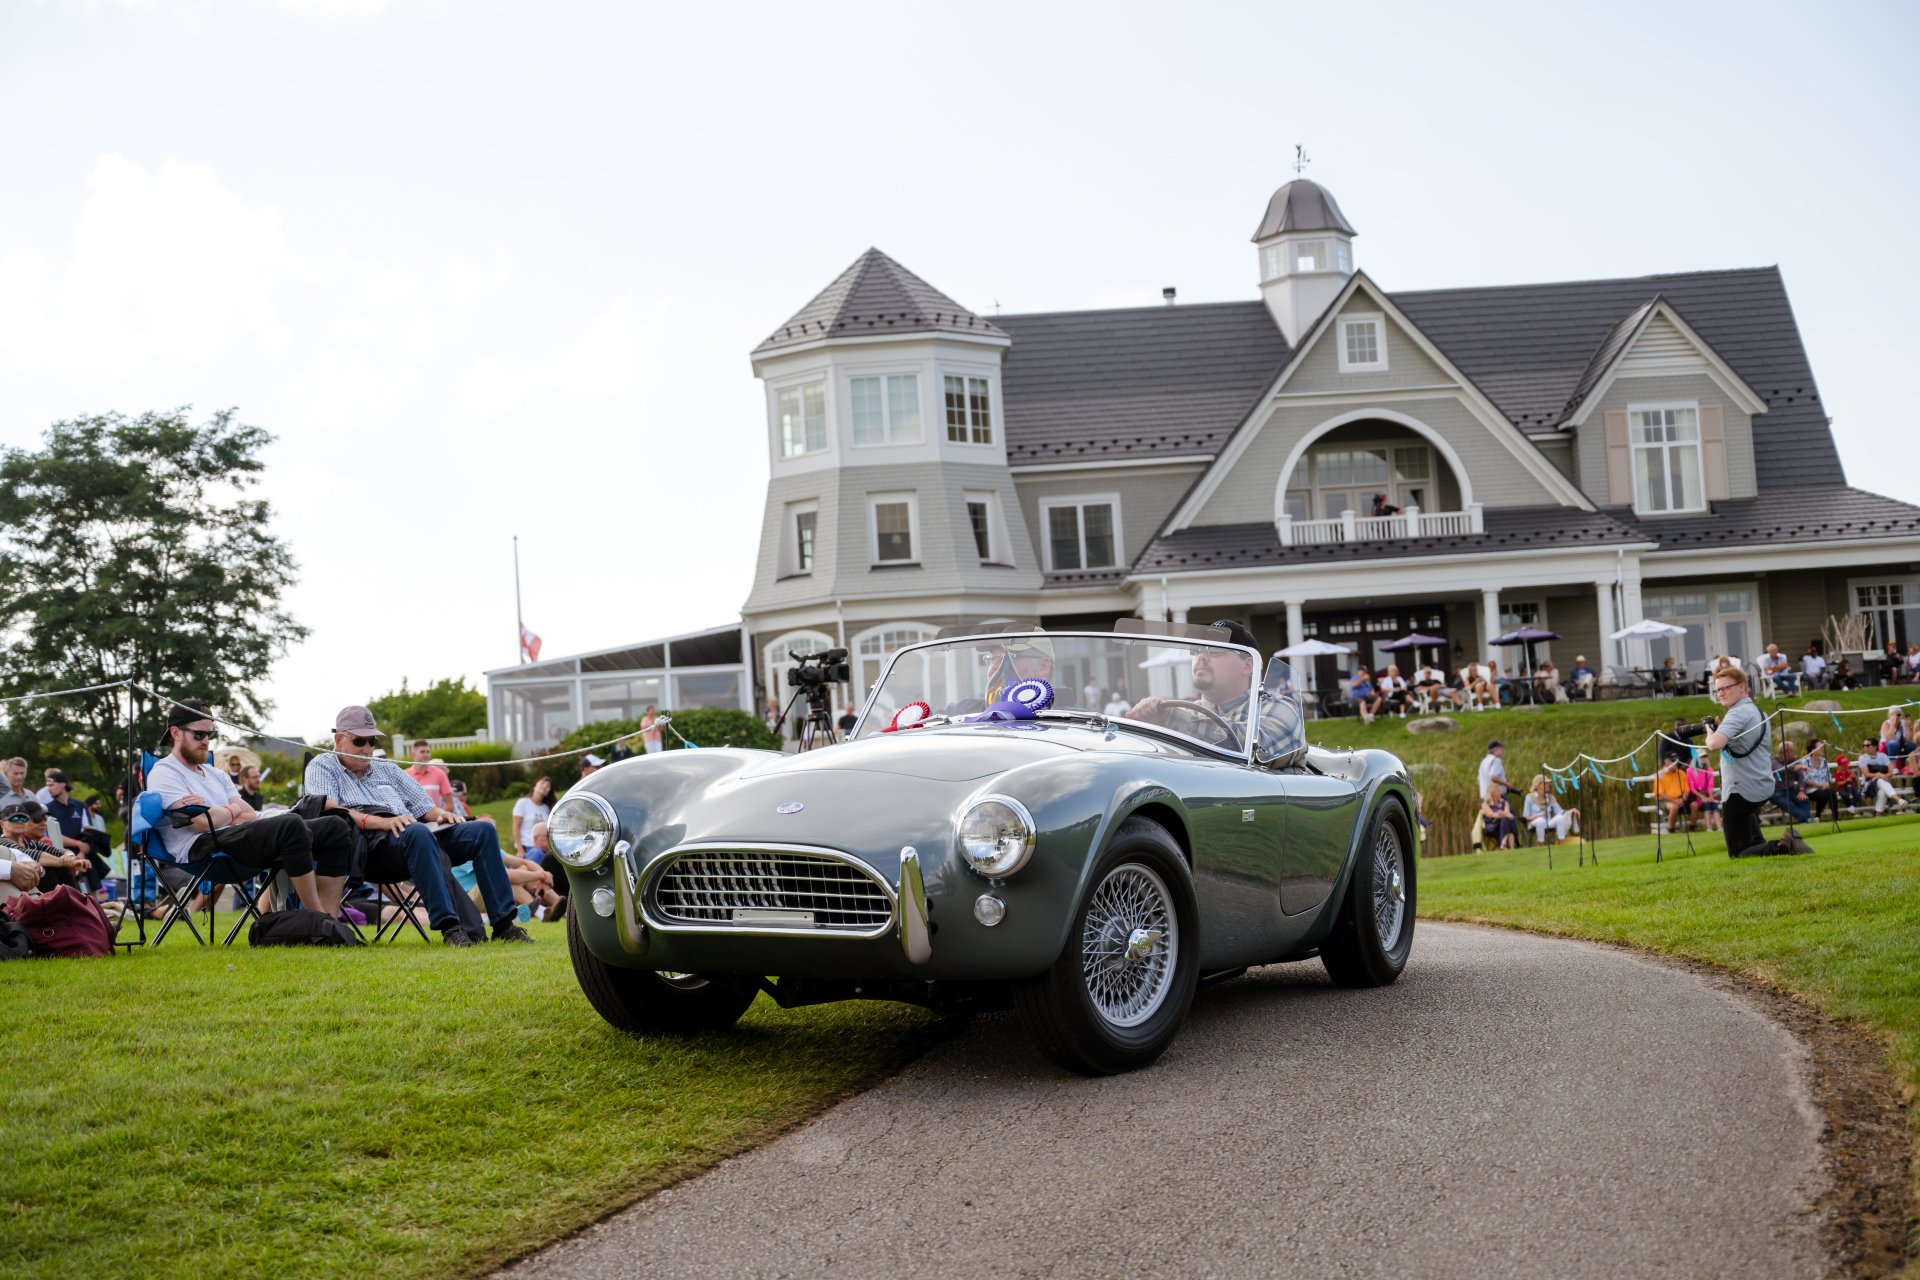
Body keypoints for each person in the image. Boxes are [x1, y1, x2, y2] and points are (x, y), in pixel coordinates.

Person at [304, 705, 530, 946]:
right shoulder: (323, 764)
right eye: (360, 741)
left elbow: (425, 807)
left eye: (372, 742)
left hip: (414, 834)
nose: (368, 749)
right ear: (339, 739)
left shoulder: (387, 768)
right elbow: (327, 807)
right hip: (371, 848)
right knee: (417, 832)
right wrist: (382, 822)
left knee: (483, 830)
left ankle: (504, 925)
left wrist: (443, 814)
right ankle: (451, 928)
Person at [148, 700, 340, 912]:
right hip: (202, 849)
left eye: (210, 735)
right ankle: (316, 920)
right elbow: (202, 823)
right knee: (291, 824)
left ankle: (331, 920)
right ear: (175, 733)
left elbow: (248, 814)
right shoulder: (164, 772)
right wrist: (232, 810)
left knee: (334, 827)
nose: (205, 741)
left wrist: (224, 812)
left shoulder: (217, 774)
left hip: (236, 838)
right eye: (198, 735)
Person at [1126, 620, 1297, 758]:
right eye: (1197, 649)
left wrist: (1173, 718)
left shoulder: (1280, 707)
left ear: (1247, 666)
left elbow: (1261, 746)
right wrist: (1147, 730)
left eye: (1215, 649)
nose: (1201, 656)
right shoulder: (1185, 711)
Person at [1705, 665, 1808, 858]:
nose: (1721, 693)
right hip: (1759, 785)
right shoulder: (1756, 711)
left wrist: (1710, 731)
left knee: (1737, 854)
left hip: (1740, 790)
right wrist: (1721, 729)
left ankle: (1784, 845)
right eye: (1718, 689)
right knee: (1754, 844)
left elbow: (1713, 744)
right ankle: (1777, 848)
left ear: (1743, 687)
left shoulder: (1737, 713)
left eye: (1727, 687)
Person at [0, 798, 47, 901]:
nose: (20, 822)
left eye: (24, 819)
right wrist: (10, 869)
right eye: (14, 818)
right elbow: (27, 852)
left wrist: (34, 865)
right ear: (2, 823)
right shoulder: (3, 840)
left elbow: (20, 854)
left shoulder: (31, 842)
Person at [1854, 739, 1907, 814]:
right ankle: (1898, 799)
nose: (1865, 747)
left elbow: (1890, 771)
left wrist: (1884, 776)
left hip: (1883, 783)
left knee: (1882, 792)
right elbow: (1866, 774)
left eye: (1868, 745)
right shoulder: (1863, 758)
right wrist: (1879, 775)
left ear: (1875, 746)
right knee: (1879, 780)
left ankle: (1877, 817)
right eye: (1864, 745)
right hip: (1869, 784)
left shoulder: (1883, 756)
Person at [1523, 775, 1578, 844]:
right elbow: (1526, 816)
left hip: (1548, 822)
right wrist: (1536, 817)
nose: (1548, 785)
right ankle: (1541, 845)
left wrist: (1570, 811)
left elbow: (1559, 811)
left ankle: (1562, 843)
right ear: (1538, 785)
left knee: (1560, 818)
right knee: (1540, 821)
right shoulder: (1529, 797)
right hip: (1535, 822)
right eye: (1545, 783)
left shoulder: (1550, 798)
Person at [406, 740, 458, 813]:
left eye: (428, 752)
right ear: (413, 755)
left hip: (435, 822)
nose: (426, 755)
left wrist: (439, 816)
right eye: (422, 752)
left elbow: (450, 804)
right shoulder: (405, 775)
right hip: (413, 821)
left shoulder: (439, 773)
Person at [511, 775, 555, 859]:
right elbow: (516, 826)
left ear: (548, 792)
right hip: (528, 847)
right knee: (536, 853)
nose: (544, 786)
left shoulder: (546, 809)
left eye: (548, 786)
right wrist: (520, 849)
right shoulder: (522, 803)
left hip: (545, 848)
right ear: (535, 785)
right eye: (542, 783)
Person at [1653, 758, 1700, 832]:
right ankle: (1671, 829)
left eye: (1675, 761)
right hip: (1665, 801)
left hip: (1681, 799)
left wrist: (1683, 798)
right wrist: (1675, 801)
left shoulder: (1681, 773)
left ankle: (1692, 828)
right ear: (1666, 762)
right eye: (1673, 761)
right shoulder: (1660, 775)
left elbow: (1686, 790)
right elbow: (1661, 794)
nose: (1675, 763)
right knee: (1674, 807)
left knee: (1695, 805)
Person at [1801, 739, 1839, 823]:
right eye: (1820, 747)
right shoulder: (1805, 761)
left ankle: (1836, 818)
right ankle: (1818, 816)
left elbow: (1829, 775)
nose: (1822, 749)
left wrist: (1826, 782)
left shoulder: (1824, 761)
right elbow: (1805, 779)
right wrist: (1819, 785)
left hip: (1824, 787)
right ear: (1813, 750)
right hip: (1811, 789)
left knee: (1831, 792)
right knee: (1823, 795)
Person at [1684, 758, 1722, 830]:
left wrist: (1710, 797)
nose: (1704, 758)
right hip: (1695, 797)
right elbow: (1692, 788)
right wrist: (1703, 797)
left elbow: (1710, 785)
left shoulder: (1709, 770)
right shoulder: (1690, 770)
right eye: (1702, 756)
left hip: (1707, 795)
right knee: (1706, 805)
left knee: (1714, 805)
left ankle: (1719, 827)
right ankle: (1708, 828)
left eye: (1705, 756)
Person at [1480, 782, 1519, 849]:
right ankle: (1508, 845)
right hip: (1492, 826)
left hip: (1504, 825)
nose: (1500, 793)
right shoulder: (1485, 804)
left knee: (1508, 820)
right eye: (1498, 791)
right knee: (1507, 820)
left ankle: (1504, 844)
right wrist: (1500, 814)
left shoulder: (1505, 803)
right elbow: (1490, 814)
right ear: (1493, 793)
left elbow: (1507, 812)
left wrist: (1504, 814)